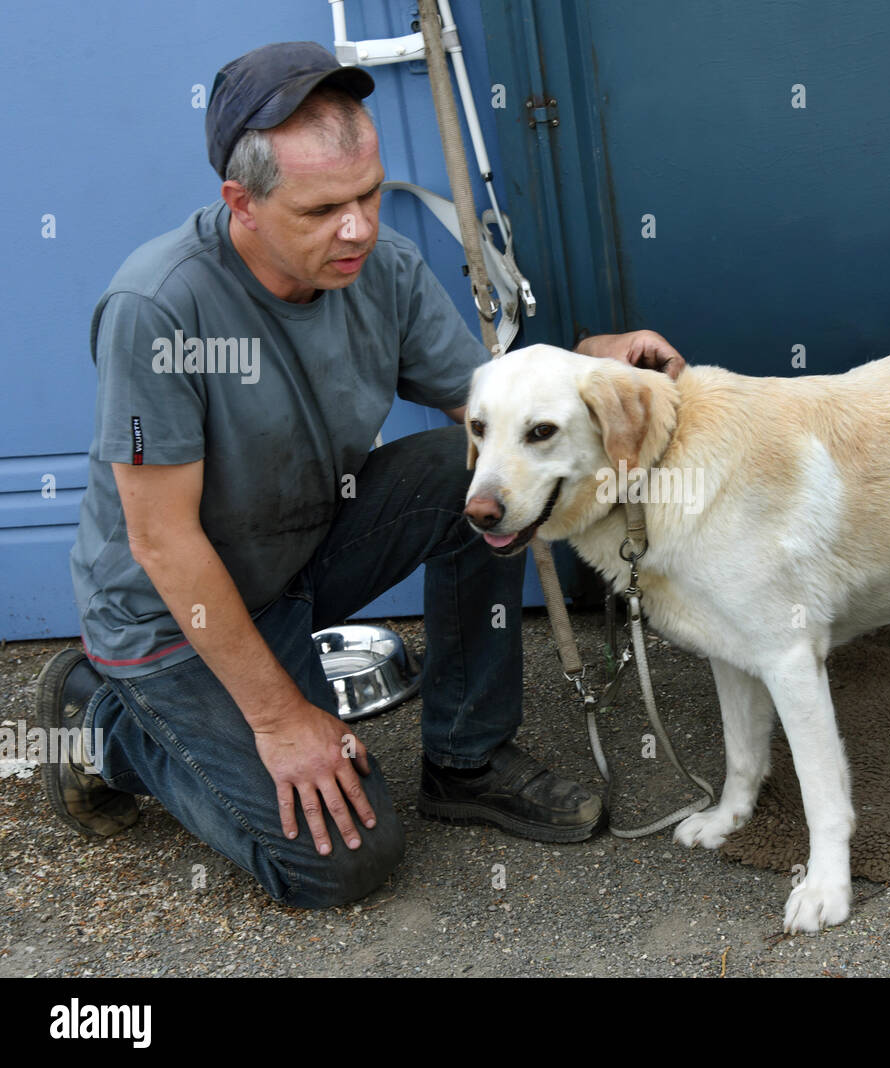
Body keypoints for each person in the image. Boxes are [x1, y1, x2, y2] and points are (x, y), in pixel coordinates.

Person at [38, 41, 684, 908]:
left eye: (371, 194)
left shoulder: (381, 270)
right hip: (172, 615)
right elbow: (162, 539)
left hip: (298, 560)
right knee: (341, 862)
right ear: (244, 203)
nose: (359, 229)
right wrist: (279, 721)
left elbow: (486, 407)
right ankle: (101, 726)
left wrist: (592, 369)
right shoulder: (161, 307)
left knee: (471, 486)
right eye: (323, 209)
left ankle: (467, 758)